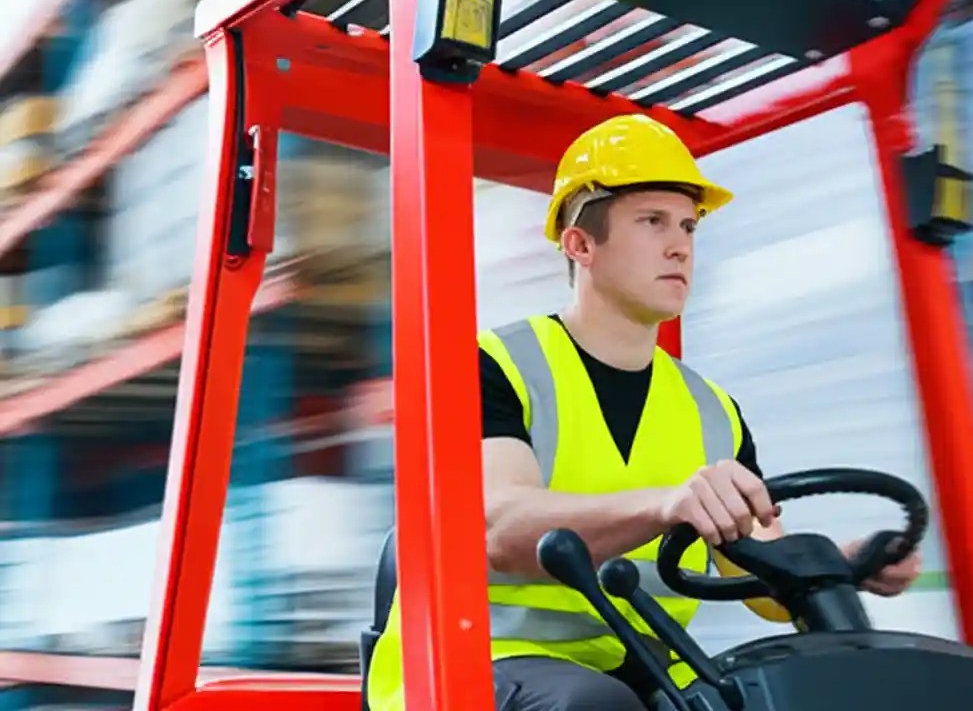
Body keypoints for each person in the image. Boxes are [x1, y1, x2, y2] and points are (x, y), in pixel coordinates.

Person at [367, 114, 922, 711]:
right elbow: (501, 529)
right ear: (581, 244)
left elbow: (762, 570)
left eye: (687, 225)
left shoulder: (715, 412)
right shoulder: (496, 365)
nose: (680, 244)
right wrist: (667, 503)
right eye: (652, 221)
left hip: (642, 671)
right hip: (472, 666)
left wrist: (839, 566)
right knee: (594, 706)